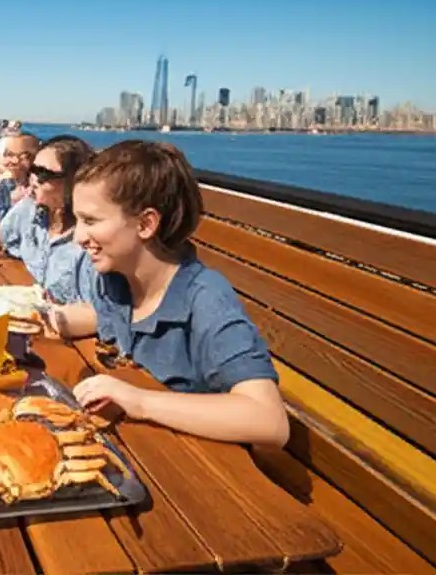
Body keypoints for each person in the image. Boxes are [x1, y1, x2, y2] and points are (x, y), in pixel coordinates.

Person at [49, 140, 288, 447]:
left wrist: (139, 401)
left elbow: (269, 420)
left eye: (91, 221)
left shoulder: (205, 299)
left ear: (146, 224)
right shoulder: (118, 281)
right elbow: (103, 317)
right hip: (148, 445)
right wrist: (40, 318)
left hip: (203, 462)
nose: (78, 236)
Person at [0, 135, 93, 304]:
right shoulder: (28, 209)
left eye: (44, 174)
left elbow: (98, 313)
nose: (34, 179)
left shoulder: (87, 241)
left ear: (74, 180)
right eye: (33, 170)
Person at [0, 131, 38, 225]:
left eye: (24, 156)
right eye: (9, 155)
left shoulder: (36, 184)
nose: (15, 161)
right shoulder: (1, 183)